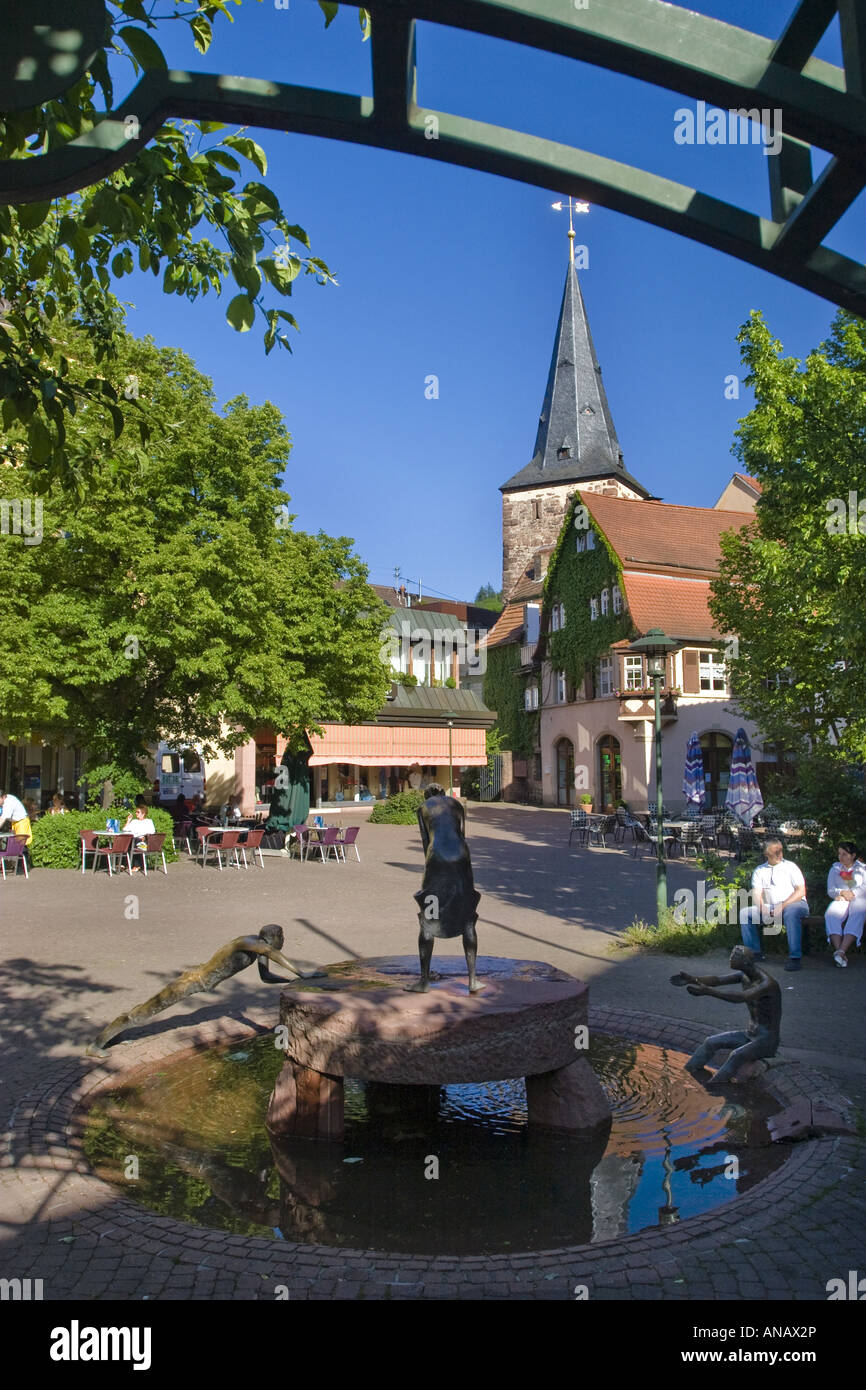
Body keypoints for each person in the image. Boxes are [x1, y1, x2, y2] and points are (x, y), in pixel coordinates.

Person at [86, 924, 325, 1054]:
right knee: (142, 1013)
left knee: (144, 1011)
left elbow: (266, 977)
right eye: (282, 938)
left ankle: (115, 1036)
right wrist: (303, 973)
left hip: (198, 983)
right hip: (191, 982)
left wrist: (290, 981)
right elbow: (274, 954)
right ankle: (96, 1045)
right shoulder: (251, 942)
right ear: (273, 938)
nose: (284, 942)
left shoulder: (257, 950)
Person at [671, 946, 782, 1084]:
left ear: (746, 962)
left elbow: (742, 997)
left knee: (735, 1055)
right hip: (750, 1034)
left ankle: (713, 1087)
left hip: (766, 1041)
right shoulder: (744, 975)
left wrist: (709, 992)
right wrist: (693, 979)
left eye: (735, 956)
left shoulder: (768, 984)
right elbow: (717, 980)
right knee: (710, 1042)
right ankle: (685, 1075)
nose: (731, 958)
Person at [739, 837, 809, 972]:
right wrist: (762, 907)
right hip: (770, 907)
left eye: (780, 851)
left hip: (794, 904)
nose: (779, 855)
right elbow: (756, 893)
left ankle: (795, 958)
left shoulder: (790, 867)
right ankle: (755, 953)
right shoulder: (760, 870)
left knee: (791, 912)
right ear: (766, 854)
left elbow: (800, 891)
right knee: (745, 913)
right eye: (775, 852)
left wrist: (781, 906)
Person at [825, 841, 866, 969]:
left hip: (858, 899)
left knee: (858, 913)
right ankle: (839, 951)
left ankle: (842, 950)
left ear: (853, 855)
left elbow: (864, 887)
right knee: (831, 914)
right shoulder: (835, 868)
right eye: (839, 854)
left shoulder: (862, 868)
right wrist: (841, 892)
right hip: (841, 898)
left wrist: (852, 893)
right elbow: (831, 890)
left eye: (844, 854)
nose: (841, 857)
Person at [121, 803, 157, 872]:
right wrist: (128, 821)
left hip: (143, 841)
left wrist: (144, 836)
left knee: (133, 843)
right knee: (127, 842)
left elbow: (152, 832)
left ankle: (131, 865)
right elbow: (124, 830)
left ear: (143, 813)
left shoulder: (148, 821)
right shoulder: (134, 821)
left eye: (138, 812)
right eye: (136, 812)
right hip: (134, 840)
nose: (136, 813)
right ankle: (126, 864)